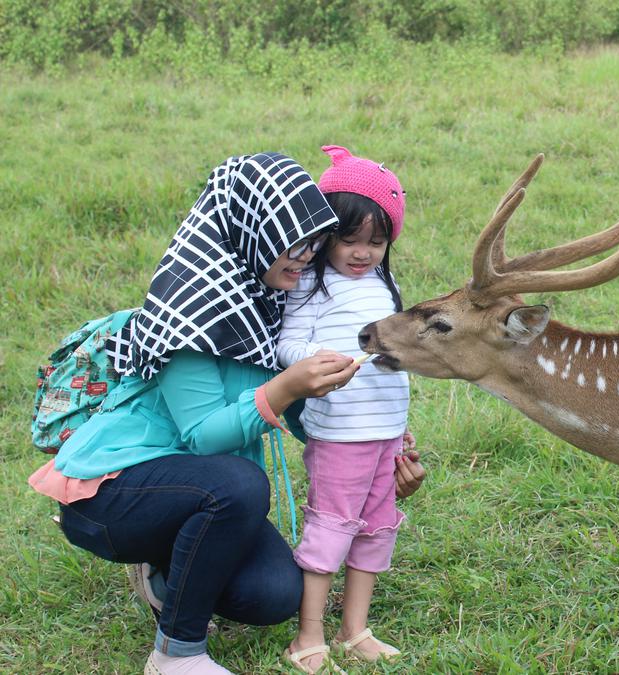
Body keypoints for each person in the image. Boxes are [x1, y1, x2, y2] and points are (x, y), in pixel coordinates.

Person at [27, 152, 425, 675]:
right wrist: (282, 388)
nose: (306, 257)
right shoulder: (186, 312)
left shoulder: (263, 300)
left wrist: (373, 451)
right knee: (237, 484)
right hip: (113, 491)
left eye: (312, 242)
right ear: (252, 230)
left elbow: (304, 409)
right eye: (293, 241)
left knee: (273, 594)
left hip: (190, 488)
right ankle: (176, 653)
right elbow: (202, 438)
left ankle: (168, 572)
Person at [275, 146, 416, 673]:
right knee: (332, 526)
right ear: (325, 235)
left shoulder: (384, 286)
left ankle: (355, 630)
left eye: (376, 242)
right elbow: (285, 346)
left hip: (385, 431)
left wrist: (403, 433)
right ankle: (307, 635)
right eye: (349, 240)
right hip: (338, 433)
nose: (362, 253)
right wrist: (314, 361)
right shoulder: (312, 285)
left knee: (376, 527)